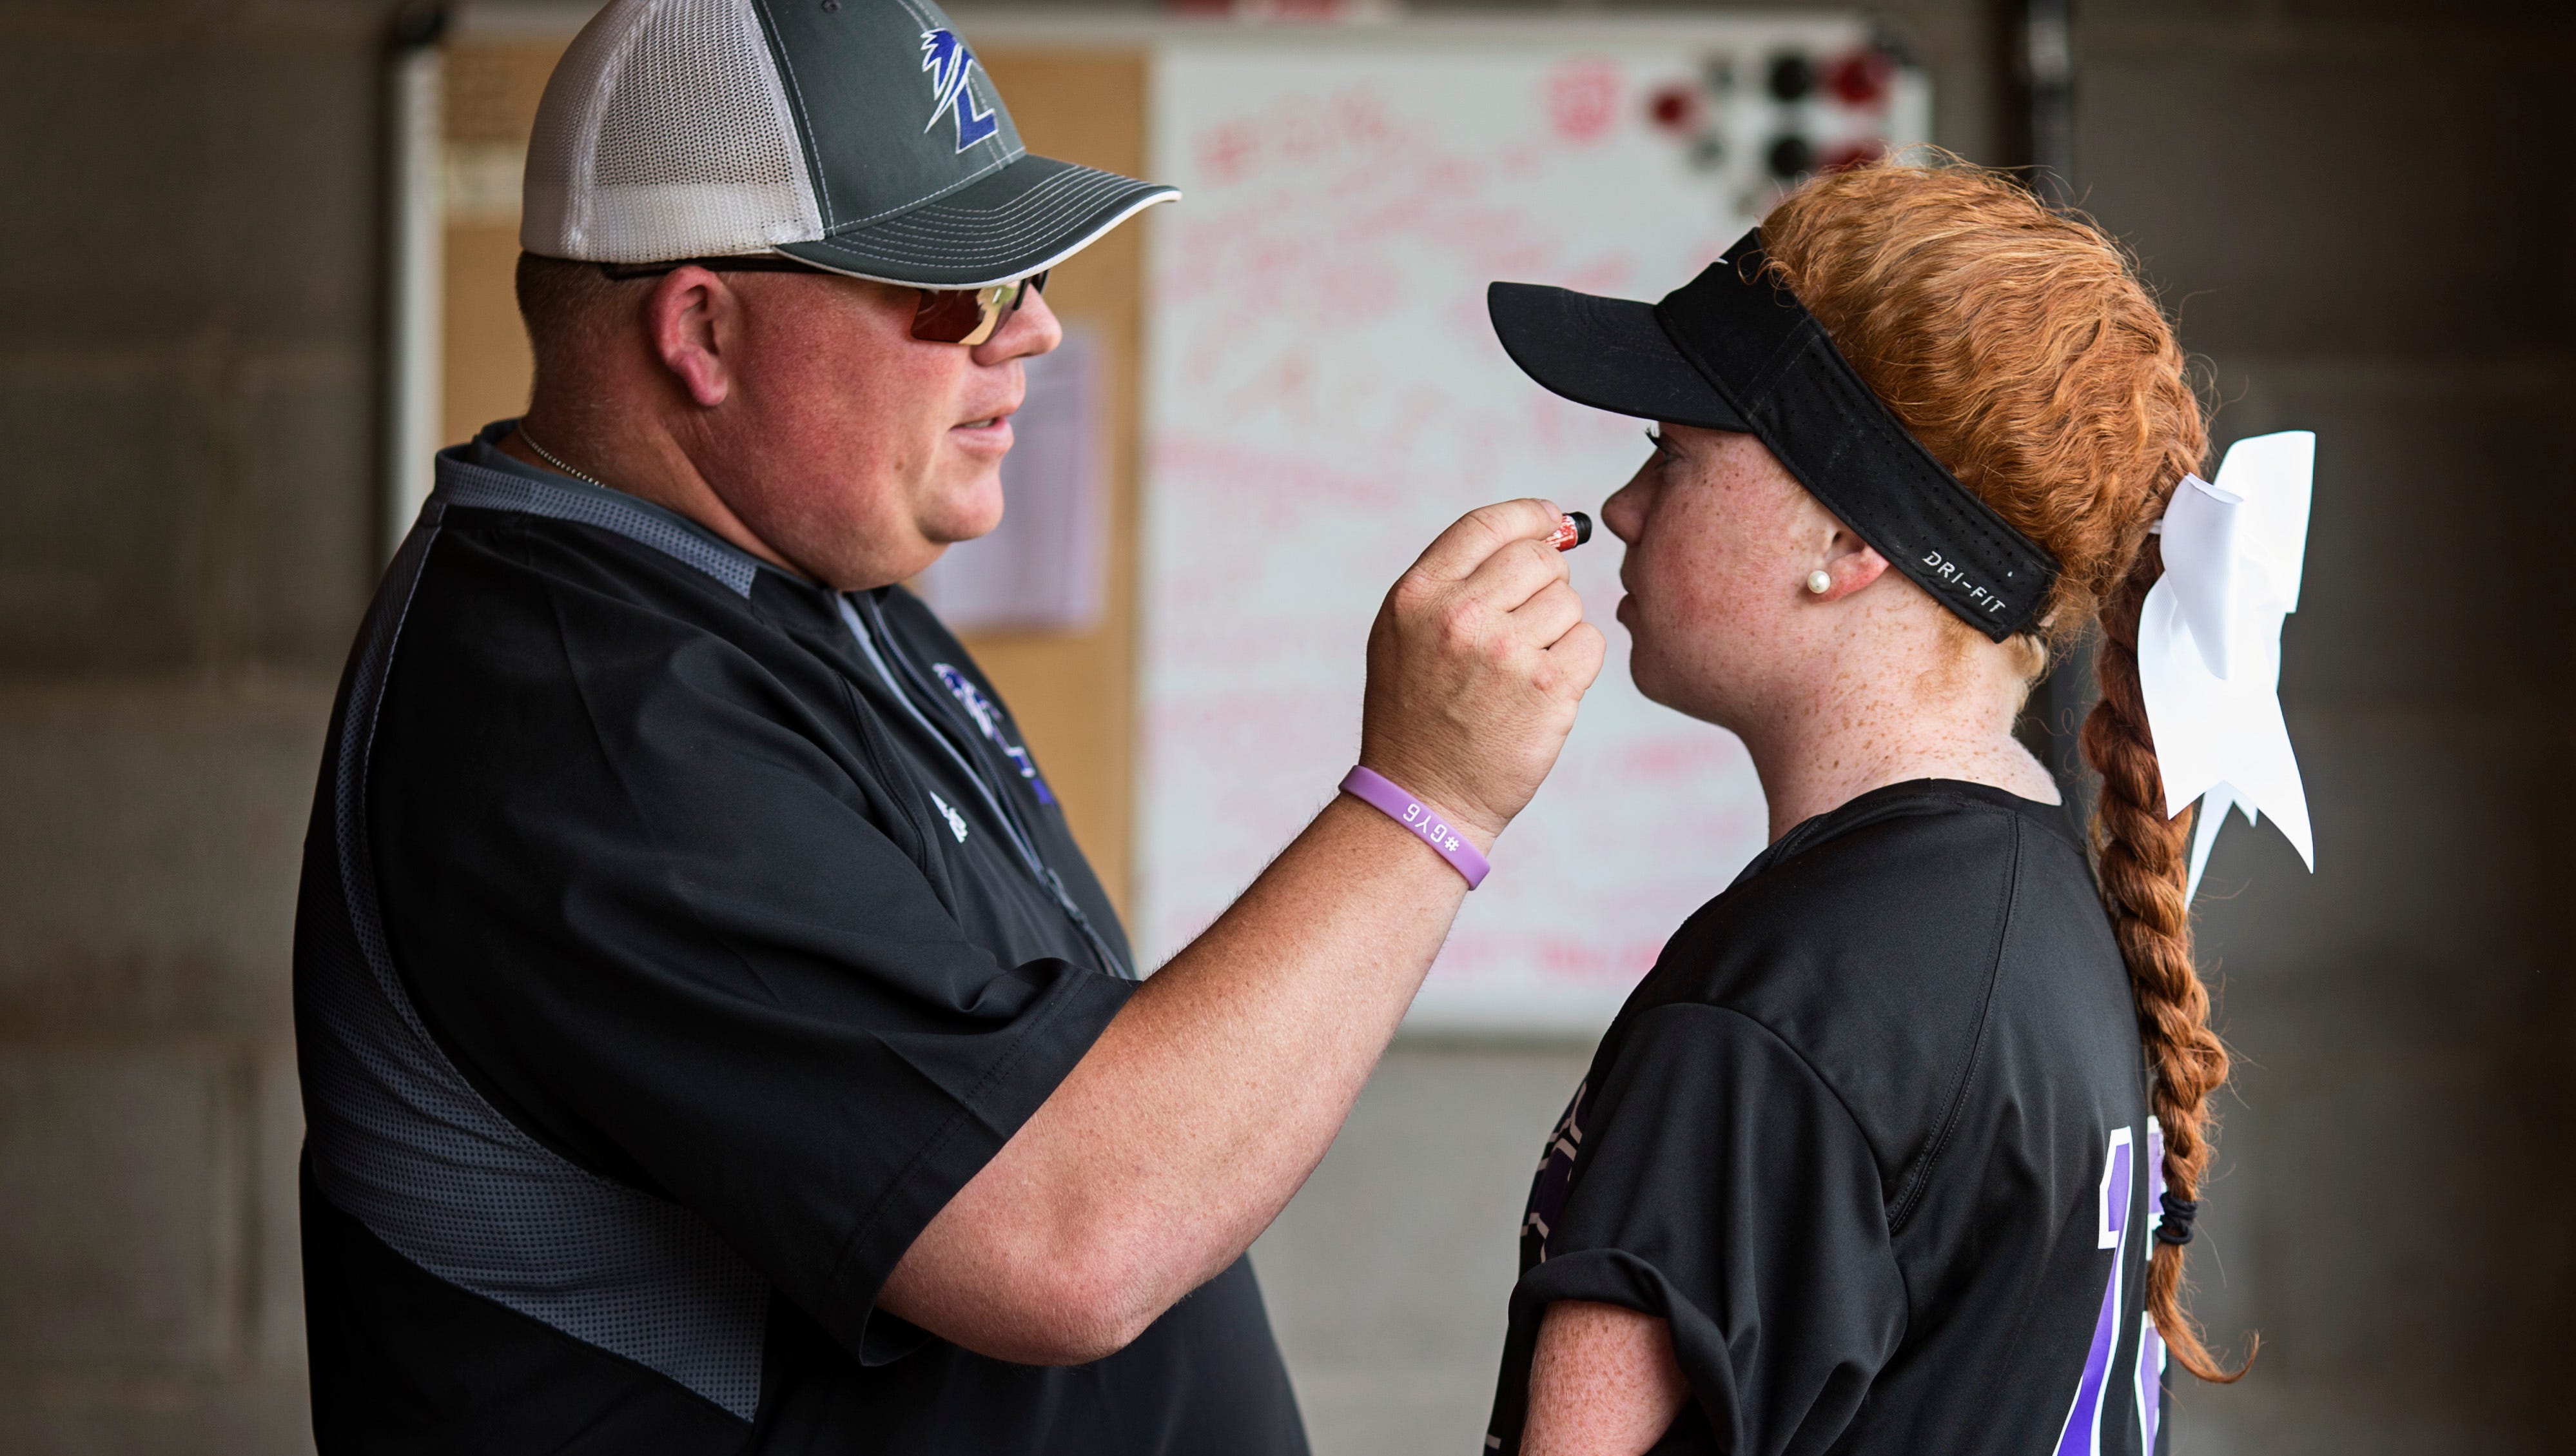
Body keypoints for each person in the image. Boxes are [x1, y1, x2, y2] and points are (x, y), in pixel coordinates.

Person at [291, 2, 1603, 1451]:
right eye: (953, 287)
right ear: (702, 332)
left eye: (1026, 267)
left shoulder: (789, 576)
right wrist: (1430, 796)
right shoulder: (593, 726)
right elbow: (1070, 1232)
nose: (1032, 326)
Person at [1475, 159, 2248, 1455]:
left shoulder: (1784, 1006)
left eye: (1672, 449)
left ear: (1851, 538)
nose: (1620, 506)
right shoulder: (2040, 908)